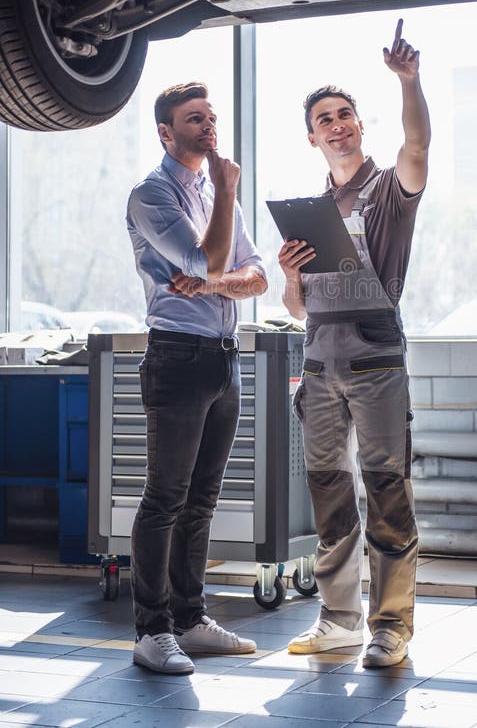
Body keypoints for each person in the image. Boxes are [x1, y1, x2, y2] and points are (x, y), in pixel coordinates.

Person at [277, 19, 430, 669]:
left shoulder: (386, 190)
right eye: (323, 118)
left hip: (373, 363)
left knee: (385, 491)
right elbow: (296, 308)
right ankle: (338, 620)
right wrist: (289, 275)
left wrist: (408, 81)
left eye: (344, 114)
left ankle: (389, 626)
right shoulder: (308, 208)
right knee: (329, 496)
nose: (335, 124)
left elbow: (417, 147)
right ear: (311, 136)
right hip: (318, 366)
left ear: (358, 125)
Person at [126, 81, 267, 675]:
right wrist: (229, 198)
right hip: (178, 357)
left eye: (211, 117)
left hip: (223, 356)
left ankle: (189, 618)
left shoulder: (213, 193)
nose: (209, 127)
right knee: (165, 497)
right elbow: (211, 259)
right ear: (166, 132)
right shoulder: (152, 195)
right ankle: (151, 629)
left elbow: (256, 278)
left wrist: (212, 282)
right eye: (194, 119)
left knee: (202, 501)